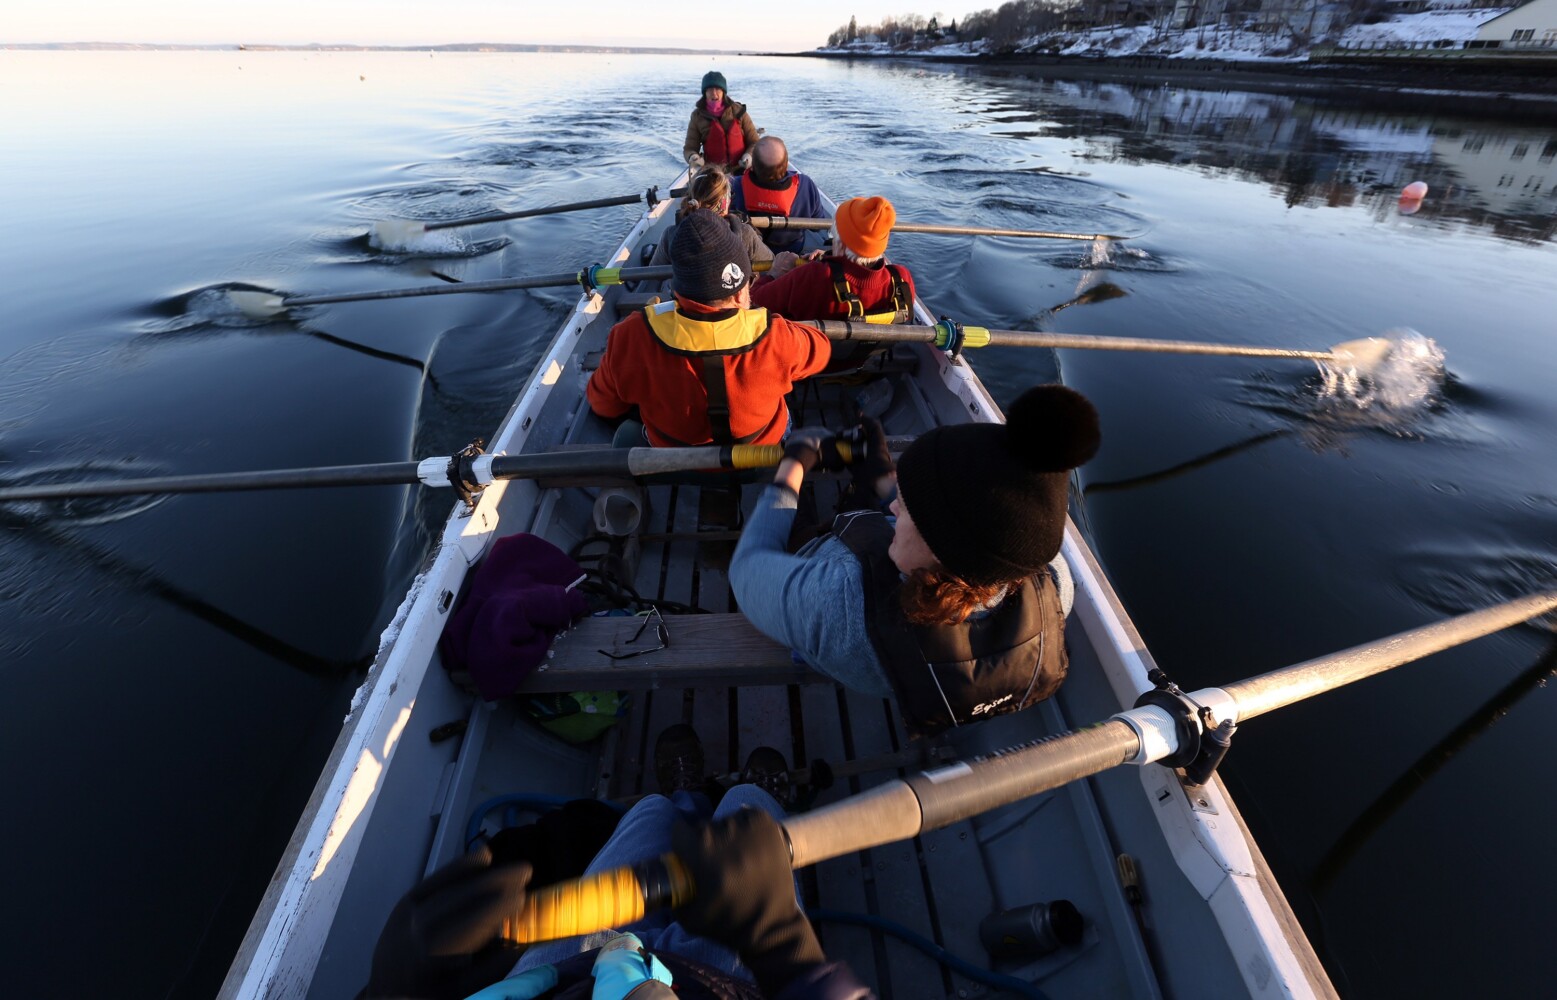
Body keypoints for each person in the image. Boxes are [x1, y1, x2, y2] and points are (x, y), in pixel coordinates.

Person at [363, 726, 875, 1000]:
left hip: (562, 980)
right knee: (749, 807)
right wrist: (781, 942)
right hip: (714, 987)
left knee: (650, 812)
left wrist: (393, 996)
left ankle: (686, 797)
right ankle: (752, 800)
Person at [729, 385, 1101, 738]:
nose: (893, 507)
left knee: (816, 522)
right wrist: (881, 477)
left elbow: (746, 566)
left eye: (902, 506)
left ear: (940, 549)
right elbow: (957, 527)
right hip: (897, 668)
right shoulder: (1054, 581)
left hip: (835, 638)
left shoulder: (834, 599)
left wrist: (793, 467)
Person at [586, 210, 830, 448]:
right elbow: (821, 352)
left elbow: (603, 404)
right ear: (741, 291)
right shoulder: (777, 335)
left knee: (627, 431)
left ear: (677, 289)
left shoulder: (630, 336)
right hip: (760, 450)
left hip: (671, 458)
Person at [751, 196, 914, 325]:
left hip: (812, 363)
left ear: (842, 246)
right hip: (863, 361)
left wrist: (774, 273)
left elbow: (753, 302)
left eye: (834, 237)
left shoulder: (814, 276)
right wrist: (831, 259)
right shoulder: (901, 280)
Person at [649, 165, 773, 276]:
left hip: (684, 299)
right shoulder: (745, 234)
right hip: (735, 300)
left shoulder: (671, 235)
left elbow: (650, 279)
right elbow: (772, 265)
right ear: (725, 202)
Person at [728, 137, 825, 257]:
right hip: (794, 250)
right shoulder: (806, 185)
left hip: (754, 253)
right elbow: (818, 226)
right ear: (786, 165)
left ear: (753, 165)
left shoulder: (735, 185)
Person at [683, 71, 759, 173]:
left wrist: (749, 155)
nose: (714, 93)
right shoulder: (697, 116)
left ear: (723, 92)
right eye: (709, 89)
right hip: (713, 173)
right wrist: (693, 156)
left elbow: (755, 142)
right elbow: (689, 148)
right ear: (705, 93)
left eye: (718, 89)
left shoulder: (739, 112)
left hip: (741, 170)